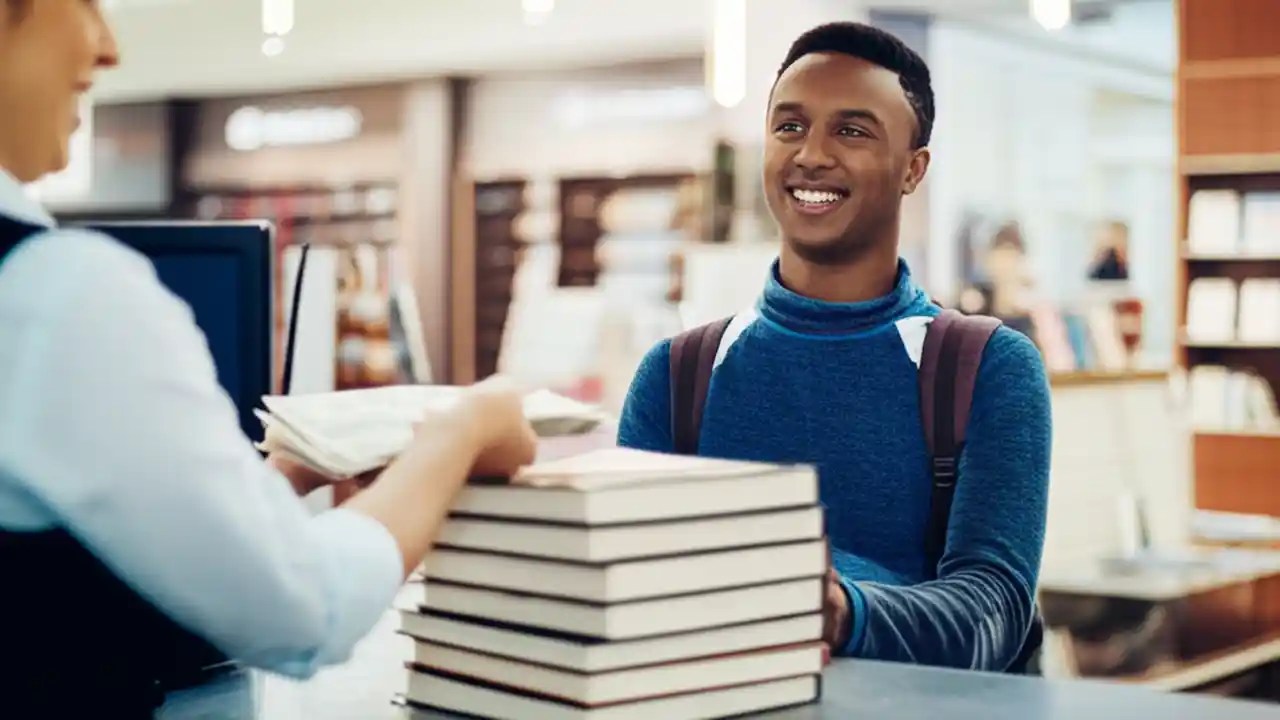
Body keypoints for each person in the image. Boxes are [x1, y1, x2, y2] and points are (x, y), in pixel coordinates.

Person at [0, 1, 537, 715]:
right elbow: (305, 612)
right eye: (86, 3)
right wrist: (459, 434)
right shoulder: (56, 291)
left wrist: (274, 482)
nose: (107, 47)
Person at [618, 21, 1051, 672]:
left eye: (851, 130)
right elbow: (620, 586)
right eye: (789, 126)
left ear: (913, 169)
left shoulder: (987, 368)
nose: (811, 154)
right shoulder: (677, 376)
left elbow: (994, 614)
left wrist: (841, 611)